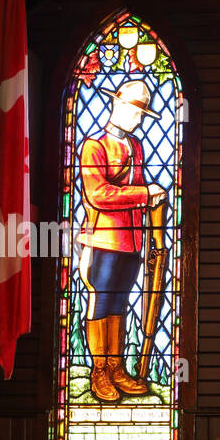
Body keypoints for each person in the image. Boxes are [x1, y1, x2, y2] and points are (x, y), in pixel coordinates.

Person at [77, 79, 166, 401]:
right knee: (101, 300)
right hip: (103, 239)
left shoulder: (136, 147)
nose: (138, 117)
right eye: (135, 108)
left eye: (143, 112)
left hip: (133, 241)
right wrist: (145, 193)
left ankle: (116, 366)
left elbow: (139, 189)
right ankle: (98, 369)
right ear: (116, 102)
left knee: (120, 301)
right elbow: (98, 194)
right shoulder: (93, 147)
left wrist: (149, 196)